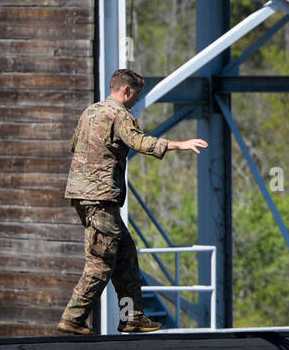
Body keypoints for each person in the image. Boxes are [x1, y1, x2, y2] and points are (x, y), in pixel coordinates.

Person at [57, 68, 207, 335]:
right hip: (100, 198)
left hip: (84, 196)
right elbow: (139, 142)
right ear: (126, 90)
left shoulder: (90, 112)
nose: (138, 99)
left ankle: (132, 317)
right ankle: (73, 318)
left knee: (125, 255)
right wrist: (179, 144)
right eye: (137, 94)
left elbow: (74, 146)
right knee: (100, 261)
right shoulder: (119, 115)